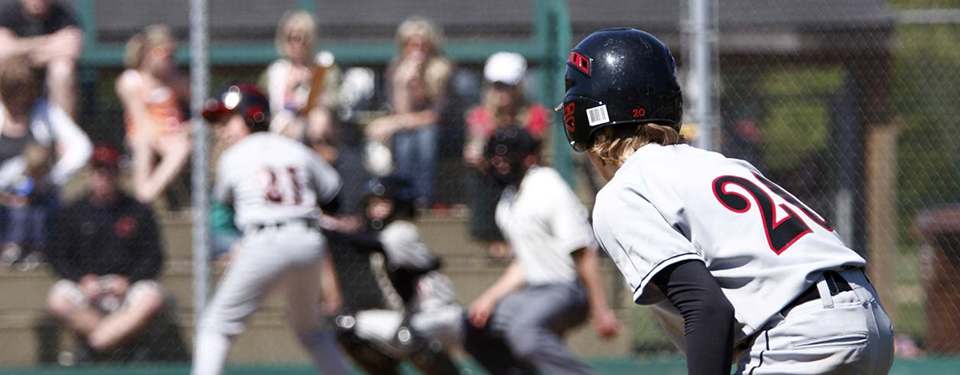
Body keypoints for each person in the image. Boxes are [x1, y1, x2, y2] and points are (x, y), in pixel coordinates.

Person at [562, 28, 894, 375]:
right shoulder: (720, 165)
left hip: (798, 334)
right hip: (869, 320)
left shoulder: (622, 192)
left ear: (581, 119)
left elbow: (706, 307)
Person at [193, 83, 349, 375]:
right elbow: (334, 196)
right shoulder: (296, 149)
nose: (222, 130)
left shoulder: (232, 157)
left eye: (229, 120)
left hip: (266, 241)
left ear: (252, 115)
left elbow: (223, 208)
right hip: (308, 242)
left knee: (215, 327)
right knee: (311, 331)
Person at [464, 128, 622, 375]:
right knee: (472, 326)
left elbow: (583, 251)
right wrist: (489, 298)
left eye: (507, 156)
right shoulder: (508, 198)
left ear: (530, 157)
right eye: (495, 157)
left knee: (524, 333)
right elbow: (524, 263)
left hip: (568, 289)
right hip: (533, 292)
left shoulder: (547, 186)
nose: (500, 163)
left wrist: (600, 310)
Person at [323, 175, 462, 375]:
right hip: (410, 319)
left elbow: (367, 243)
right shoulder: (385, 232)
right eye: (372, 204)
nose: (375, 210)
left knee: (406, 335)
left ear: (399, 204)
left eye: (383, 203)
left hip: (439, 317)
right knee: (345, 325)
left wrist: (325, 225)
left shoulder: (402, 231)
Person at [45, 145, 166, 354]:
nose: (103, 176)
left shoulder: (138, 210)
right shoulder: (73, 212)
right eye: (98, 170)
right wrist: (82, 279)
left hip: (126, 285)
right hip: (87, 286)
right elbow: (58, 257)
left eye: (109, 170)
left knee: (152, 300)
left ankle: (96, 344)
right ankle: (121, 345)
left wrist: (129, 281)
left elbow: (154, 257)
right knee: (57, 302)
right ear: (90, 173)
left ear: (118, 173)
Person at [0, 58, 92, 265]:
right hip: (3, 199)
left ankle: (40, 252)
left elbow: (82, 147)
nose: (20, 98)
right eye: (14, 92)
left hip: (39, 196)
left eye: (24, 91)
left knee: (39, 209)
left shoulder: (46, 112)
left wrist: (52, 178)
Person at [464, 52, 549, 258]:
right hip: (493, 176)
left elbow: (537, 151)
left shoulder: (535, 114)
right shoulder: (479, 115)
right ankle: (492, 237)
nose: (501, 92)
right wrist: (476, 154)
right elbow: (475, 147)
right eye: (497, 86)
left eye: (507, 86)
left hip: (523, 174)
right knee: (479, 176)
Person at [365, 17, 452, 208]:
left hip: (443, 132)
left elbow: (434, 116)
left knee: (424, 136)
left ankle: (423, 199)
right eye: (412, 45)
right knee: (405, 140)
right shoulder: (396, 70)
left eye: (423, 45)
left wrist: (392, 123)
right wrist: (402, 83)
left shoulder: (442, 70)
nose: (418, 50)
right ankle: (405, 195)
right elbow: (401, 112)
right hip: (408, 130)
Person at [116, 24, 191, 205]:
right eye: (164, 53)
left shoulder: (176, 81)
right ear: (147, 52)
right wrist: (156, 138)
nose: (169, 60)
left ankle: (144, 197)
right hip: (143, 133)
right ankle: (143, 198)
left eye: (172, 54)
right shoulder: (130, 80)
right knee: (144, 142)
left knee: (181, 147)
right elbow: (141, 120)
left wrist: (188, 128)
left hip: (173, 134)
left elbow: (203, 109)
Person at [261, 10, 342, 149]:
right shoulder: (275, 71)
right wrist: (290, 87)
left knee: (319, 118)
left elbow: (334, 102)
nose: (296, 44)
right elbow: (266, 107)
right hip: (280, 130)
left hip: (312, 131)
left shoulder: (324, 67)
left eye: (300, 38)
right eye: (290, 38)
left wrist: (312, 88)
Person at [0, 0, 83, 117]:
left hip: (46, 81)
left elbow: (71, 49)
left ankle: (62, 126)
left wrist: (19, 48)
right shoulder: (7, 13)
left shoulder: (64, 15)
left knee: (63, 68)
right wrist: (50, 43)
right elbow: (3, 51)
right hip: (12, 79)